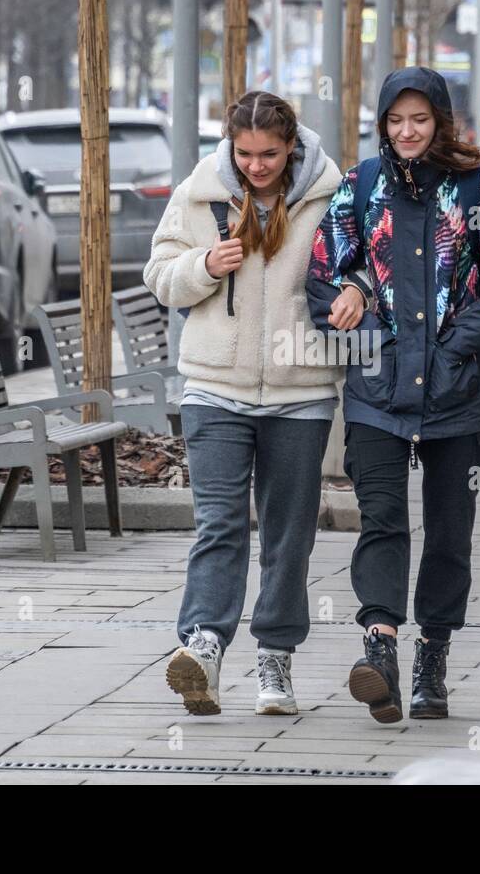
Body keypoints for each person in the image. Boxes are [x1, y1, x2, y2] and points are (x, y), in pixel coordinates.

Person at [307, 66, 480, 723]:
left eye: (420, 119)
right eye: (395, 120)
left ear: (440, 122)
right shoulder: (361, 186)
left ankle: (433, 659)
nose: (407, 131)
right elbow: (325, 273)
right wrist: (360, 313)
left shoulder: (477, 187)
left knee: (450, 532)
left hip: (458, 396)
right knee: (381, 518)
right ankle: (380, 648)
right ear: (383, 124)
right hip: (376, 390)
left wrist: (456, 349)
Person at [143, 91, 343, 716]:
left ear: (292, 147)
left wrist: (355, 296)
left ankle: (275, 662)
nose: (258, 165)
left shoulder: (329, 197)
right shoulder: (199, 195)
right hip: (214, 388)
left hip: (301, 392)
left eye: (271, 154)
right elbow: (159, 275)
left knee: (288, 536)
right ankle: (202, 647)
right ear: (230, 146)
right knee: (219, 525)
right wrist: (204, 264)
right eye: (246, 153)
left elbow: (362, 267)